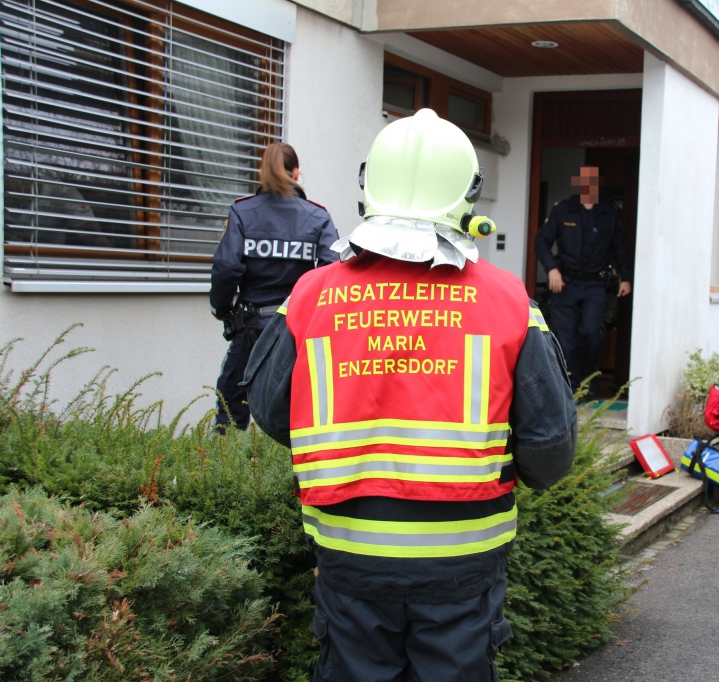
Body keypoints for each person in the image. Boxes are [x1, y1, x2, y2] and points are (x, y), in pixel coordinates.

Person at [242, 108, 577, 681]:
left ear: (368, 186)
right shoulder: (507, 301)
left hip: (351, 564)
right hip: (462, 572)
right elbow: (550, 451)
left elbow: (273, 415)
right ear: (468, 198)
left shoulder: (310, 295)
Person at [210, 143, 339, 432]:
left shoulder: (242, 212)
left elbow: (227, 268)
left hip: (250, 329)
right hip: (295, 332)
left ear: (262, 171)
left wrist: (221, 309)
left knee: (230, 410)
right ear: (296, 172)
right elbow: (333, 271)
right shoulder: (317, 217)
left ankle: (224, 467)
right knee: (300, 410)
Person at [534, 166, 633, 393]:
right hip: (565, 283)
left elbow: (619, 249)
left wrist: (625, 278)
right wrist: (551, 270)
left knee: (591, 332)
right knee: (565, 339)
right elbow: (541, 242)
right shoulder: (563, 210)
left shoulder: (608, 213)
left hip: (594, 285)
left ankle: (589, 378)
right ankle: (572, 386)